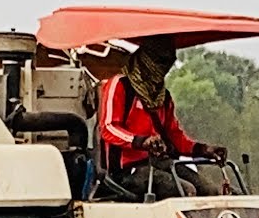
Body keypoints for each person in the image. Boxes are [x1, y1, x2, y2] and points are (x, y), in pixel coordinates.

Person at [98, 36, 229, 199]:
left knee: (210, 191)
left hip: (162, 163)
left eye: (168, 62)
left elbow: (175, 137)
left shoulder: (163, 97)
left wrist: (204, 150)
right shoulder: (120, 85)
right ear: (146, 58)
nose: (164, 68)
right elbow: (108, 128)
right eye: (160, 61)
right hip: (127, 170)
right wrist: (142, 141)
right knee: (186, 191)